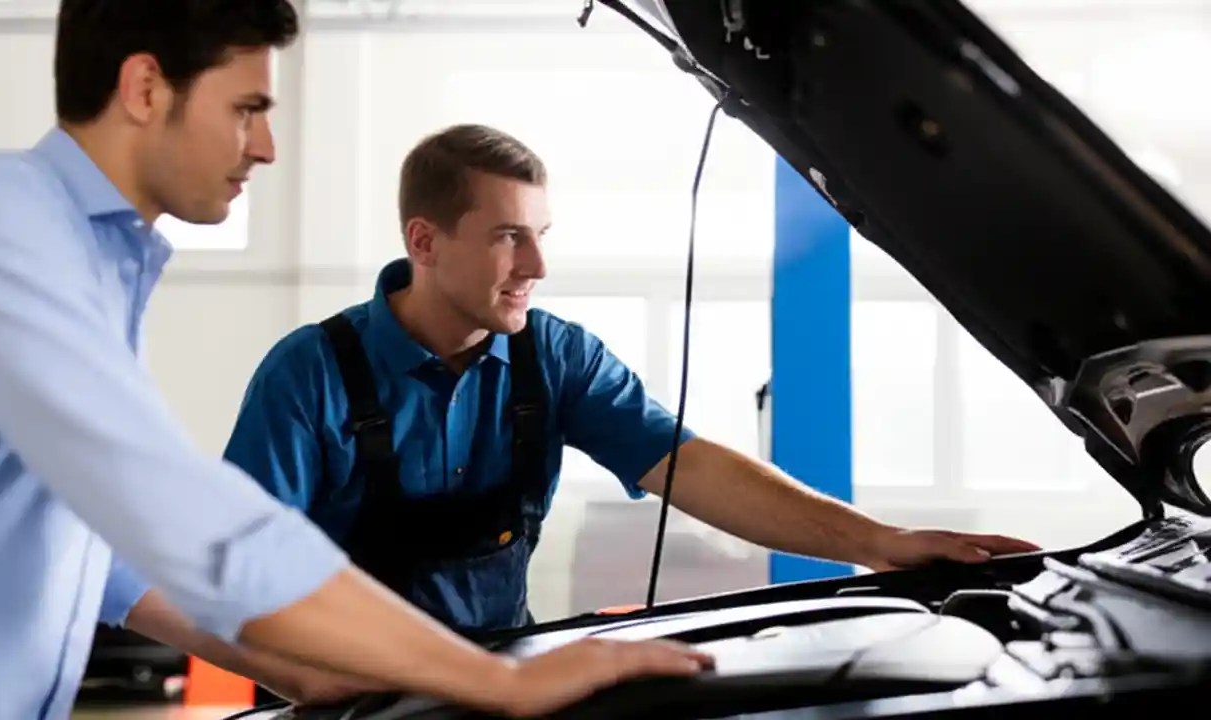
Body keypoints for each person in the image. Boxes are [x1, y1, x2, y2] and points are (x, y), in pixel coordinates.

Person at [0, 2, 715, 718]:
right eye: (247, 110)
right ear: (144, 88)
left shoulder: (99, 259)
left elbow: (95, 545)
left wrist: (304, 672)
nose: (267, 148)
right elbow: (176, 509)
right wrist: (496, 681)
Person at [222, 123, 1042, 647]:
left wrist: (880, 544)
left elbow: (692, 466)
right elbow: (233, 576)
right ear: (424, 240)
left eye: (541, 236)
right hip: (344, 695)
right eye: (510, 237)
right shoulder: (309, 376)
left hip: (506, 676)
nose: (538, 267)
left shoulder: (559, 360)